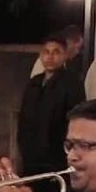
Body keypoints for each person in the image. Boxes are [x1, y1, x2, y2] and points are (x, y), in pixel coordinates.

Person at [17, 32, 86, 182]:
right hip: (31, 156)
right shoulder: (34, 82)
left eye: (56, 52)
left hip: (56, 156)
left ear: (64, 55)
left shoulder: (72, 83)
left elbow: (76, 118)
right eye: (46, 52)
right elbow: (23, 117)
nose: (50, 57)